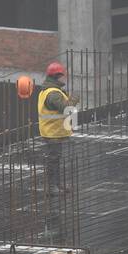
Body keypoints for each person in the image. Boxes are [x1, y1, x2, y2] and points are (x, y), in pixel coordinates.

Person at [37, 62, 72, 199]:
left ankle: (56, 184)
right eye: (64, 75)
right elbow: (65, 108)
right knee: (53, 159)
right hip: (52, 132)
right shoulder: (53, 93)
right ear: (58, 76)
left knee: (55, 159)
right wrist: (74, 100)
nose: (66, 78)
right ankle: (52, 187)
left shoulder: (49, 90)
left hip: (52, 131)